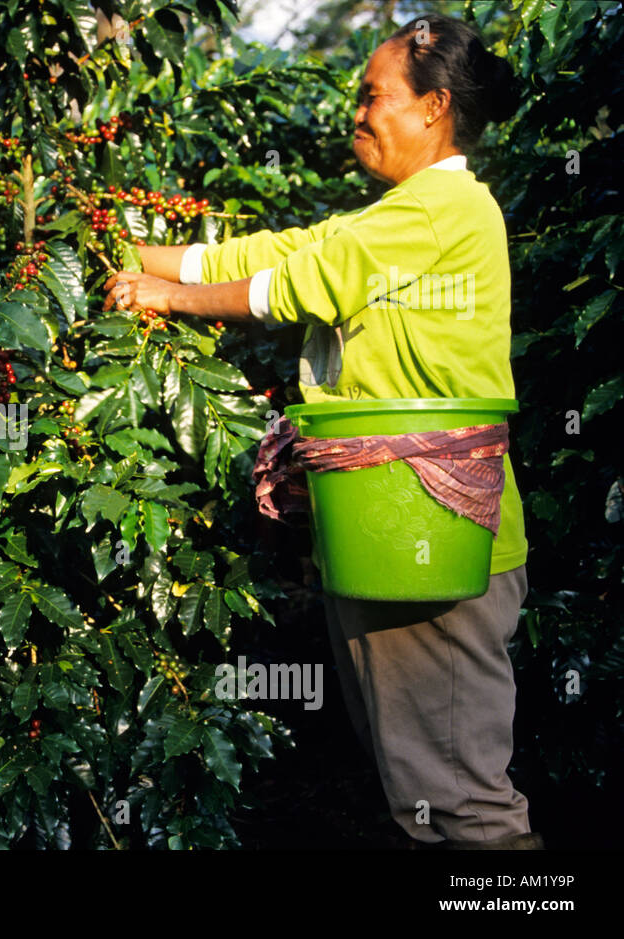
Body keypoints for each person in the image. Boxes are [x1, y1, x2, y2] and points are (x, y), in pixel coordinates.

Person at [103, 14, 539, 848]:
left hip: (430, 537)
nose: (359, 113)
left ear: (434, 107)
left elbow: (304, 282)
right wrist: (131, 249)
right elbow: (287, 247)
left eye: (375, 96)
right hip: (389, 530)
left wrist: (169, 299)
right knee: (423, 794)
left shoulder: (445, 206)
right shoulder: (403, 211)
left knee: (464, 806)